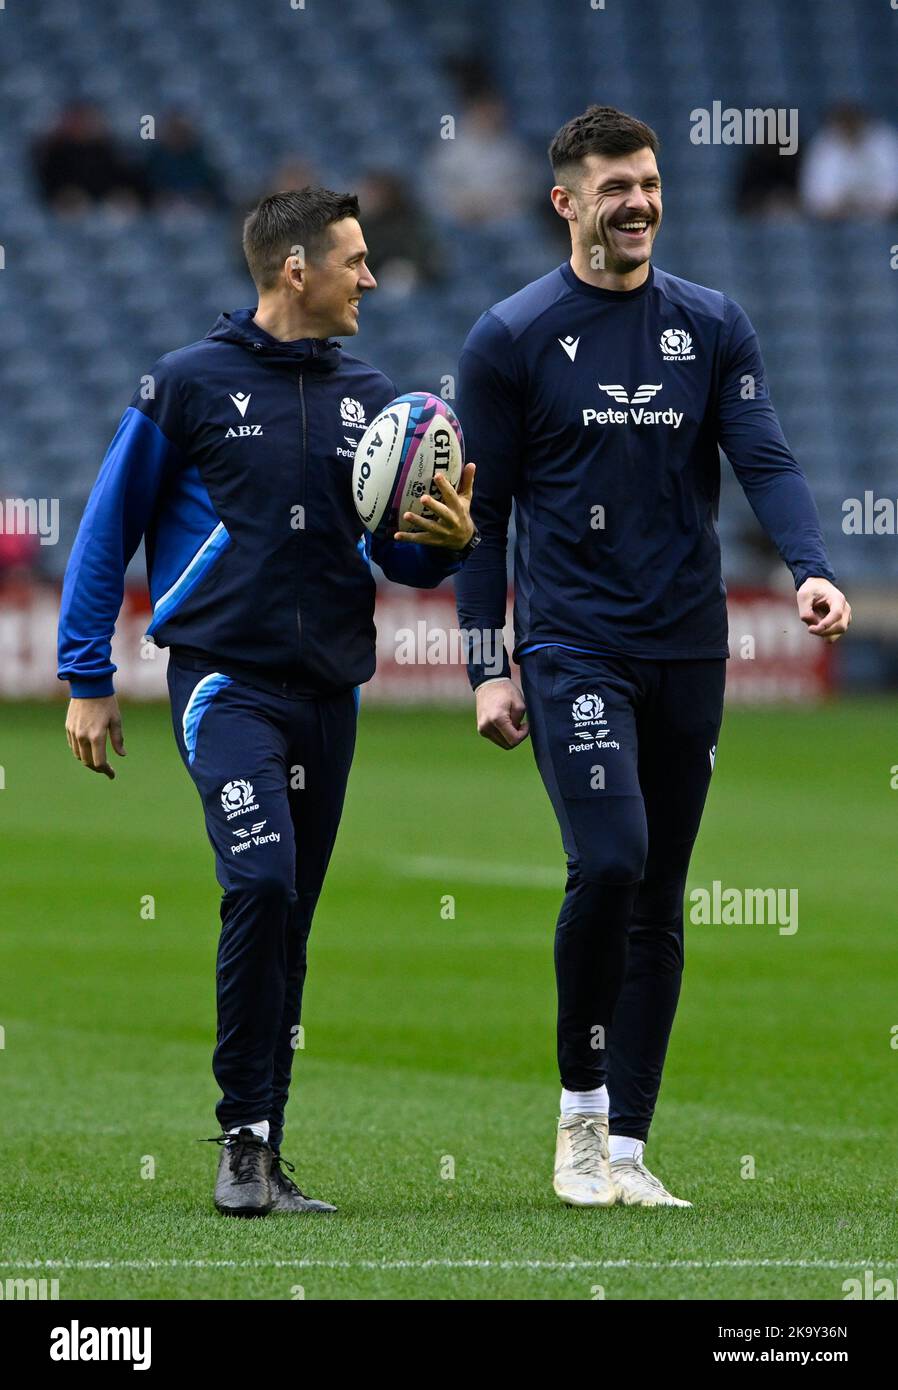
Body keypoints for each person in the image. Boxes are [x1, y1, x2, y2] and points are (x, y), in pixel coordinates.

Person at [454, 105, 850, 1208]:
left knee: (661, 891)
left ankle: (627, 1148)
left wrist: (807, 563)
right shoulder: (510, 337)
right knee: (613, 857)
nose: (637, 203)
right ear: (564, 202)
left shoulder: (712, 323)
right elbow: (479, 526)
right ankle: (576, 1121)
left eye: (648, 182)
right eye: (613, 187)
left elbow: (762, 457)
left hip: (689, 643)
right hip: (572, 642)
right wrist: (487, 665)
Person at [57, 187, 477, 1217]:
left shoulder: (374, 398)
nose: (372, 278)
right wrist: (86, 676)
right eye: (356, 260)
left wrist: (445, 546)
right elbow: (106, 528)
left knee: (290, 919)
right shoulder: (186, 385)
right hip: (224, 683)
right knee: (260, 877)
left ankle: (265, 1150)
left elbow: (392, 552)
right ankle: (238, 1150)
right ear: (297, 269)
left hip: (330, 694)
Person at [800, 101, 898, 219]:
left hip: (884, 223)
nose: (848, 122)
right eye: (843, 117)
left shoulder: (885, 140)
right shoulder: (823, 143)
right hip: (835, 227)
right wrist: (847, 205)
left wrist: (866, 204)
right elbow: (815, 198)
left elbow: (893, 196)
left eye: (851, 116)